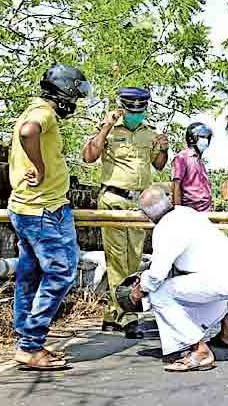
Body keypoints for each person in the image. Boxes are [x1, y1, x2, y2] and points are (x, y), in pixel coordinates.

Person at [8, 63, 91, 369]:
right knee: (61, 272)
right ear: (66, 92)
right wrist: (39, 168)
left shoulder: (38, 108)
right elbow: (28, 132)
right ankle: (30, 344)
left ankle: (26, 341)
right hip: (41, 209)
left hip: (38, 207)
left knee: (29, 274)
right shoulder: (42, 113)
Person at [126, 187, 228, 372]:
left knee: (160, 293)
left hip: (226, 279)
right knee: (196, 285)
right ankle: (227, 335)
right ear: (168, 200)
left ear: (147, 216)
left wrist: (138, 291)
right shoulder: (186, 212)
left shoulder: (164, 229)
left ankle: (200, 351)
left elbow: (156, 276)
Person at [81, 87, 169, 337]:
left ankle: (112, 314)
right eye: (132, 110)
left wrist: (163, 149)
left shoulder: (149, 133)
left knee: (133, 258)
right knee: (117, 259)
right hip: (113, 200)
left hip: (139, 204)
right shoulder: (108, 130)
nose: (136, 115)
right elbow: (89, 156)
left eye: (140, 110)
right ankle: (128, 315)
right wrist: (105, 128)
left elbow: (159, 166)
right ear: (122, 108)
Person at [170, 122, 213, 211]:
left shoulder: (199, 161)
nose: (206, 140)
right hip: (189, 211)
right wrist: (178, 211)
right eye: (202, 137)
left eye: (207, 137)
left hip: (203, 211)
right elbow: (176, 185)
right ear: (192, 138)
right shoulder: (182, 157)